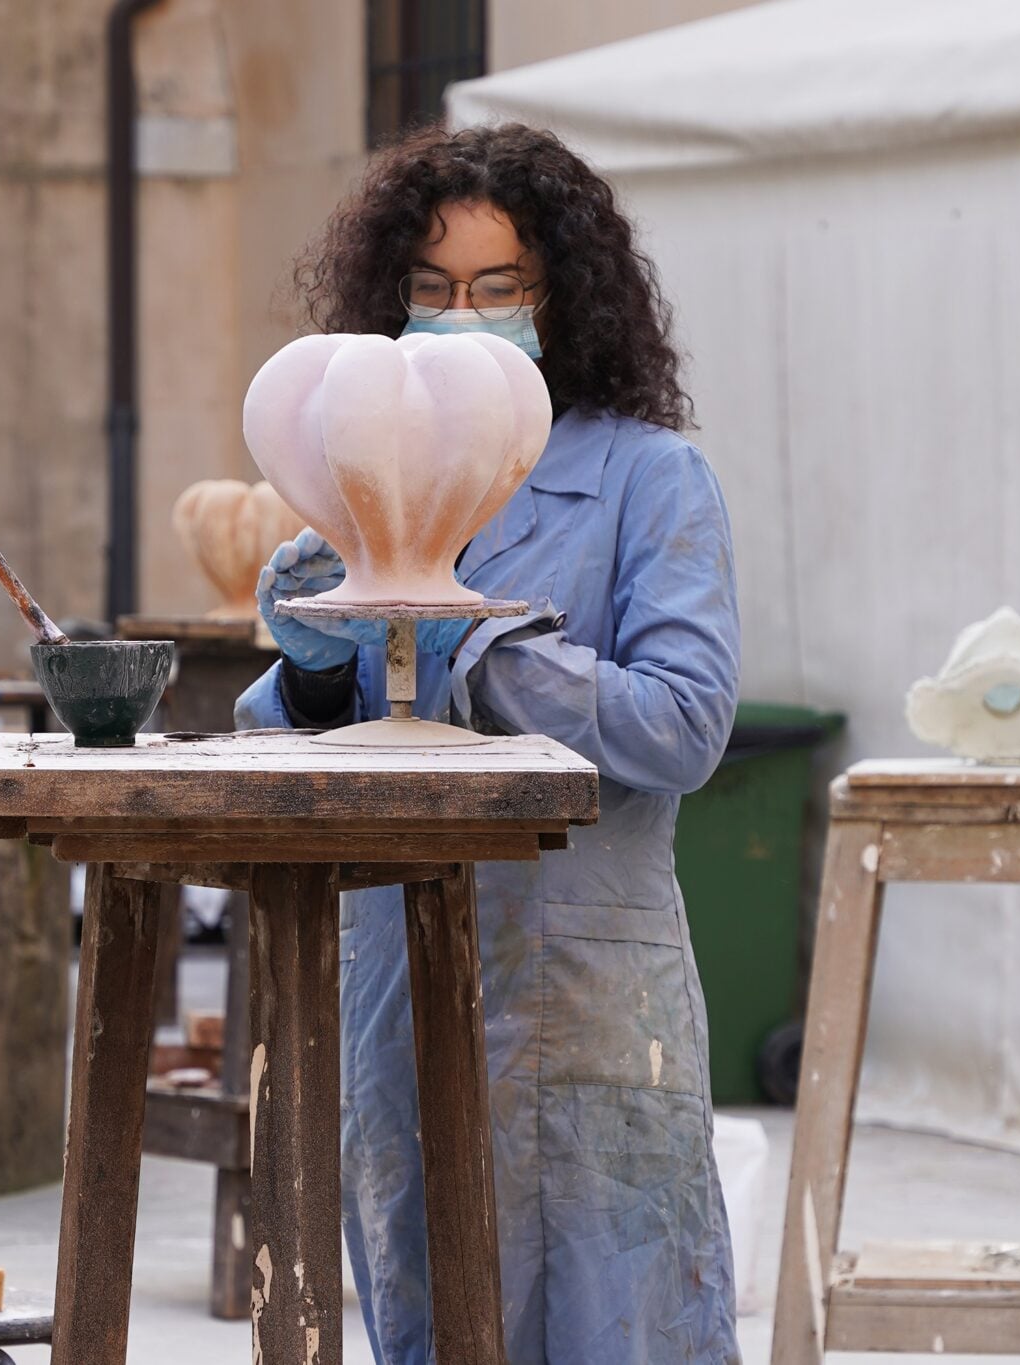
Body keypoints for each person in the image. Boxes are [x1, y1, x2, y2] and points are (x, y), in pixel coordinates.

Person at [236, 122, 742, 1365]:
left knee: (614, 1312)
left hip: (579, 979)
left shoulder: (648, 479)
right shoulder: (367, 482)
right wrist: (306, 670)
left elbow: (683, 725)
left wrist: (489, 648)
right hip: (394, 977)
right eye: (428, 289)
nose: (461, 316)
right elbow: (293, 741)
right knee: (429, 1308)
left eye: (495, 288)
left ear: (556, 295)